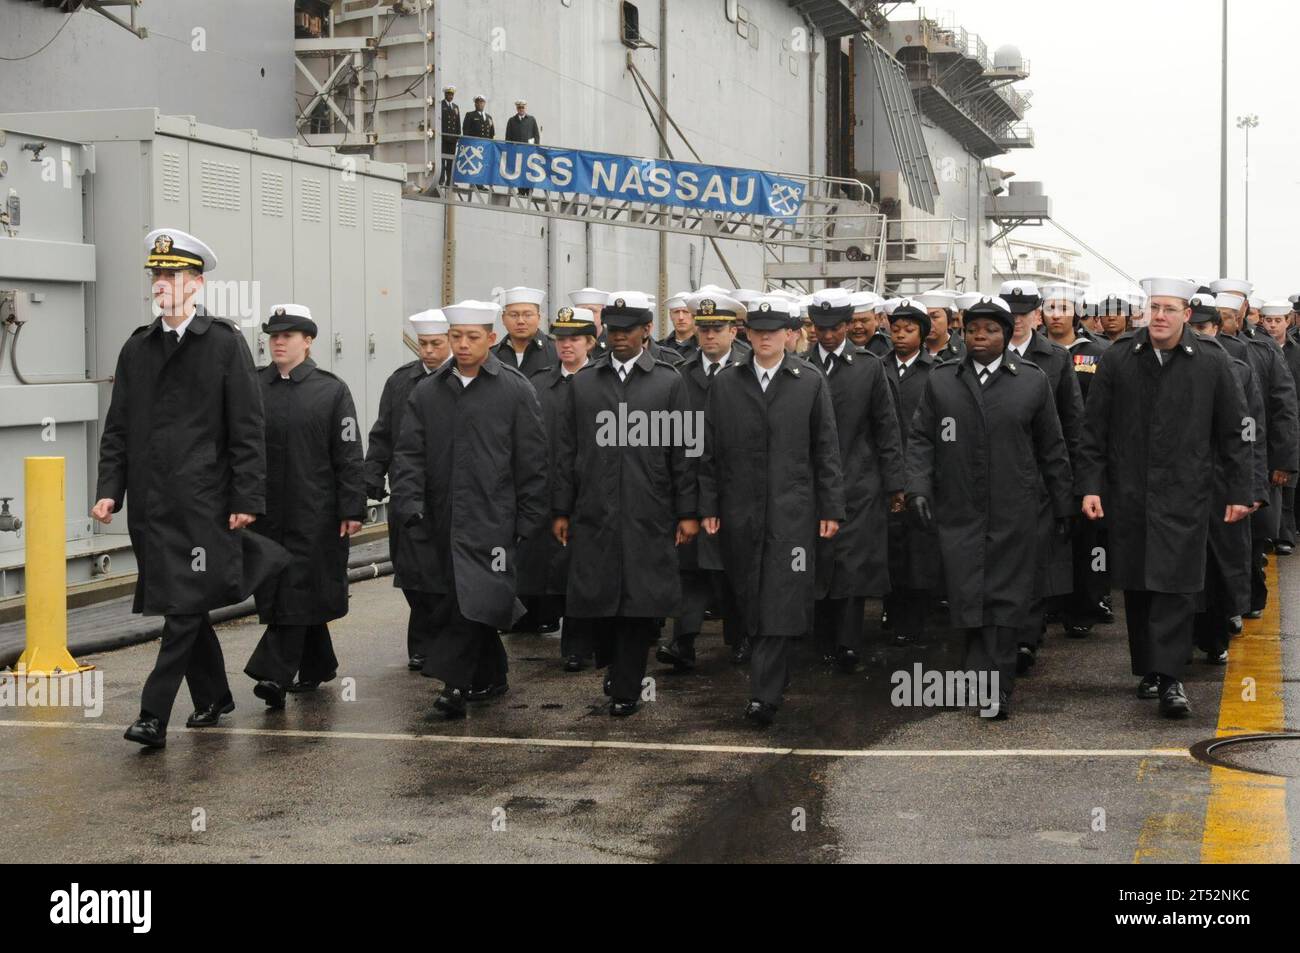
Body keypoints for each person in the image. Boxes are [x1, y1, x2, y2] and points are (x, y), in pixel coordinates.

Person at [95, 228, 287, 748]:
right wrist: (110, 488)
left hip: (205, 503)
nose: (161, 284)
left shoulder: (223, 344)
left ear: (196, 284)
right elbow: (117, 427)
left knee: (180, 607)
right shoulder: (136, 348)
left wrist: (247, 499)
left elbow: (248, 428)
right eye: (157, 275)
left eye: (172, 275)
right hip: (152, 508)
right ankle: (214, 696)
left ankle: (152, 715)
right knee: (185, 602)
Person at [1077, 277, 1253, 718]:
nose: (1159, 316)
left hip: (1187, 494)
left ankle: (1172, 677)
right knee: (1138, 583)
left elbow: (1234, 433)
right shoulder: (1119, 359)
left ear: (1186, 315)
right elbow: (1094, 430)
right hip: (1129, 492)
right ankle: (1150, 670)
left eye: (1169, 309)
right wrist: (1092, 486)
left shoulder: (1211, 361)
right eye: (1154, 308)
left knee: (1175, 585)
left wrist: (1239, 491)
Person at [905, 295, 1073, 721]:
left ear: (1006, 334)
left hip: (1014, 509)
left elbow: (1052, 447)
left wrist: (1062, 503)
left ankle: (996, 687)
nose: (981, 337)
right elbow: (922, 439)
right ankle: (978, 676)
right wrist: (918, 488)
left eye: (992, 330)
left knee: (1003, 599)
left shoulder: (1031, 381)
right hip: (958, 508)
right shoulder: (943, 380)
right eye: (974, 330)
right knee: (966, 594)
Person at [389, 299, 548, 718]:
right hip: (439, 521)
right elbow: (409, 455)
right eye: (456, 336)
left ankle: (452, 688)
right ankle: (491, 674)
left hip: (493, 522)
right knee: (459, 602)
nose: (462, 345)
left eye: (472, 337)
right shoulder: (427, 392)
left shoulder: (515, 390)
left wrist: (529, 520)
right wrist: (410, 507)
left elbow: (532, 461)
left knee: (473, 600)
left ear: (491, 339)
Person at [551, 291, 699, 715]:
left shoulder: (669, 382)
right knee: (599, 595)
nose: (618, 338)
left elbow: (685, 453)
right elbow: (566, 451)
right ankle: (613, 666)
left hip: (647, 511)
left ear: (646, 332)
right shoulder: (584, 383)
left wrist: (687, 512)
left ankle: (627, 687)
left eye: (627, 331)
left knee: (638, 601)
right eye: (612, 330)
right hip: (594, 510)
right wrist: (561, 509)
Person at [699, 295, 844, 726]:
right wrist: (707, 504)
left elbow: (826, 449)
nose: (765, 338)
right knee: (748, 594)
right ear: (747, 334)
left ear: (791, 335)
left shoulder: (809, 381)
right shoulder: (726, 383)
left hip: (792, 512)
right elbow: (708, 450)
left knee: (780, 596)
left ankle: (764, 693)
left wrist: (831, 507)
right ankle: (771, 676)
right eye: (757, 331)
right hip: (739, 510)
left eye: (773, 331)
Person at [244, 305, 365, 707]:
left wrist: (352, 507)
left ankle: (272, 674)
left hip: (314, 512)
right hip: (265, 512)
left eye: (288, 335)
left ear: (308, 342)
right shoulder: (253, 387)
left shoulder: (331, 390)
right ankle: (316, 664)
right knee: (281, 588)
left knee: (296, 586)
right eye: (273, 336)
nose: (278, 342)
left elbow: (348, 454)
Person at [806, 289, 904, 669]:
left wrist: (895, 485)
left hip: (860, 480)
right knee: (819, 560)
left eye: (834, 328)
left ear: (847, 325)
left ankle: (848, 643)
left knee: (852, 564)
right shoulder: (800, 366)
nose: (827, 335)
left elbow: (887, 428)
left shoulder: (868, 366)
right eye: (820, 328)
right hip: (813, 483)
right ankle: (822, 638)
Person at [658, 293, 749, 670]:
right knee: (690, 566)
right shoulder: (681, 370)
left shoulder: (749, 367)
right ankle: (683, 642)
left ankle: (742, 639)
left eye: (716, 329)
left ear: (733, 330)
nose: (708, 336)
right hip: (692, 477)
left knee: (735, 568)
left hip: (737, 481)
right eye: (703, 328)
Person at [999, 279, 1084, 670]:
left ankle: (1026, 638)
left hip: (1039, 474)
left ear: (1037, 314)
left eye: (1024, 312)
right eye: (1010, 312)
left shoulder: (1055, 357)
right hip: (995, 471)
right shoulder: (982, 353)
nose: (1017, 320)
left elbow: (1072, 423)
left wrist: (1070, 482)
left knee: (1034, 559)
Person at [365, 309, 451, 670]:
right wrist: (370, 479)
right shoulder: (401, 382)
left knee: (445, 571)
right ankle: (424, 641)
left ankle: (440, 641)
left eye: (436, 344)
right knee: (412, 571)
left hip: (448, 491)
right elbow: (383, 433)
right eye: (423, 344)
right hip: (407, 490)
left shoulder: (464, 380)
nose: (428, 351)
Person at [1185, 292, 1267, 665]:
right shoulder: (1166, 367)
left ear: (1217, 329)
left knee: (1220, 565)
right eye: (1193, 328)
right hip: (1180, 484)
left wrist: (1252, 486)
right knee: (1180, 567)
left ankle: (1216, 631)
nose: (1198, 334)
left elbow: (1251, 431)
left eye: (1203, 327)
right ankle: (1176, 642)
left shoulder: (1239, 370)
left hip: (1223, 483)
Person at [1212, 279, 1299, 617]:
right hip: (1217, 465)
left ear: (1243, 312)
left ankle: (1247, 599)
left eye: (1228, 314)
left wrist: (1284, 461)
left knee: (1255, 536)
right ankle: (1227, 608)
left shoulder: (1263, 351)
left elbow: (1283, 407)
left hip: (1258, 461)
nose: (1222, 322)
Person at [520, 307, 599, 671]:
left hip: (592, 493)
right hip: (548, 491)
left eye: (574, 339)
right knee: (551, 567)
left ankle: (582, 646)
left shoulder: (605, 381)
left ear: (590, 342)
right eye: (561, 339)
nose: (566, 345)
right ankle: (555, 628)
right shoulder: (538, 384)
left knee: (585, 571)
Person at [1041, 283, 1111, 637]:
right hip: (1043, 457)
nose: (1056, 314)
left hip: (1084, 454)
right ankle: (1051, 600)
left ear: (1076, 312)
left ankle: (1085, 604)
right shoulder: (1032, 353)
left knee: (1087, 535)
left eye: (1063, 307)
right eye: (1050, 307)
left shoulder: (1098, 353)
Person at [883, 300, 938, 647]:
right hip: (886, 471)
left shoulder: (936, 372)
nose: (901, 335)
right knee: (891, 549)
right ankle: (893, 612)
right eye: (896, 328)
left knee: (919, 550)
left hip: (920, 472)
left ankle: (917, 619)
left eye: (909, 329)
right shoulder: (877, 367)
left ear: (922, 333)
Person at [1261, 300, 1300, 555]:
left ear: (1288, 320)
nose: (1273, 325)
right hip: (1264, 420)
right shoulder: (1258, 349)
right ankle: (1266, 533)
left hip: (1291, 421)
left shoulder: (1297, 351)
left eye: (1278, 320)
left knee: (1287, 480)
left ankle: (1284, 533)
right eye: (1268, 320)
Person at [494, 286, 558, 378]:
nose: (520, 321)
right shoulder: (492, 355)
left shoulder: (557, 351)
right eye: (514, 315)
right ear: (503, 319)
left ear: (539, 318)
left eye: (527, 315)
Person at [918, 290, 965, 364]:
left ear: (948, 319)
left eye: (935, 317)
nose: (929, 323)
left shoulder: (965, 350)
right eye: (925, 317)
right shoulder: (912, 350)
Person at [505, 100, 541, 194]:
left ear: (525, 108)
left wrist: (536, 147)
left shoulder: (531, 119)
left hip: (529, 150)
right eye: (519, 107)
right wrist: (509, 149)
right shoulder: (512, 120)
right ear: (517, 108)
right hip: (517, 151)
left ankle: (529, 189)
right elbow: (508, 137)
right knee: (519, 170)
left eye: (522, 107)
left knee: (529, 170)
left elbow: (536, 135)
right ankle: (521, 190)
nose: (521, 109)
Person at [846, 291, 891, 357]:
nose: (858, 326)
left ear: (876, 320)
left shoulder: (890, 347)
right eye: (852, 321)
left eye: (864, 321)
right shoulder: (834, 348)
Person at [657, 291, 699, 360]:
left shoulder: (703, 347)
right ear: (670, 315)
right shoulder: (660, 347)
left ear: (694, 316)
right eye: (676, 312)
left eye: (685, 312)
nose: (681, 317)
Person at [439, 85, 460, 187]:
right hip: (443, 138)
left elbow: (457, 123)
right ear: (445, 94)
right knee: (442, 161)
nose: (450, 96)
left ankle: (450, 181)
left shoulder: (455, 107)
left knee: (451, 161)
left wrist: (457, 137)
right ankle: (441, 179)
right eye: (448, 94)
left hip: (452, 139)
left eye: (452, 94)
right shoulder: (441, 105)